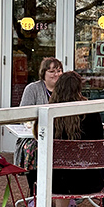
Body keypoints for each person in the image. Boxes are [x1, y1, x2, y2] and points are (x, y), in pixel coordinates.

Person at [45, 71, 104, 207]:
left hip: (56, 184)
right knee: (68, 171)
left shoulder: (50, 113)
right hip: (89, 181)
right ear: (79, 88)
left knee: (60, 171)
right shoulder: (91, 111)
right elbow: (99, 143)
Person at [19, 57, 64, 196]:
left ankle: (63, 192)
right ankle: (36, 193)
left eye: (59, 70)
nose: (56, 74)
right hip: (34, 136)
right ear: (43, 73)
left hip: (60, 135)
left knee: (68, 148)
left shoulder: (65, 90)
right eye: (52, 71)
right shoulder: (32, 89)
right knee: (33, 149)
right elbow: (23, 115)